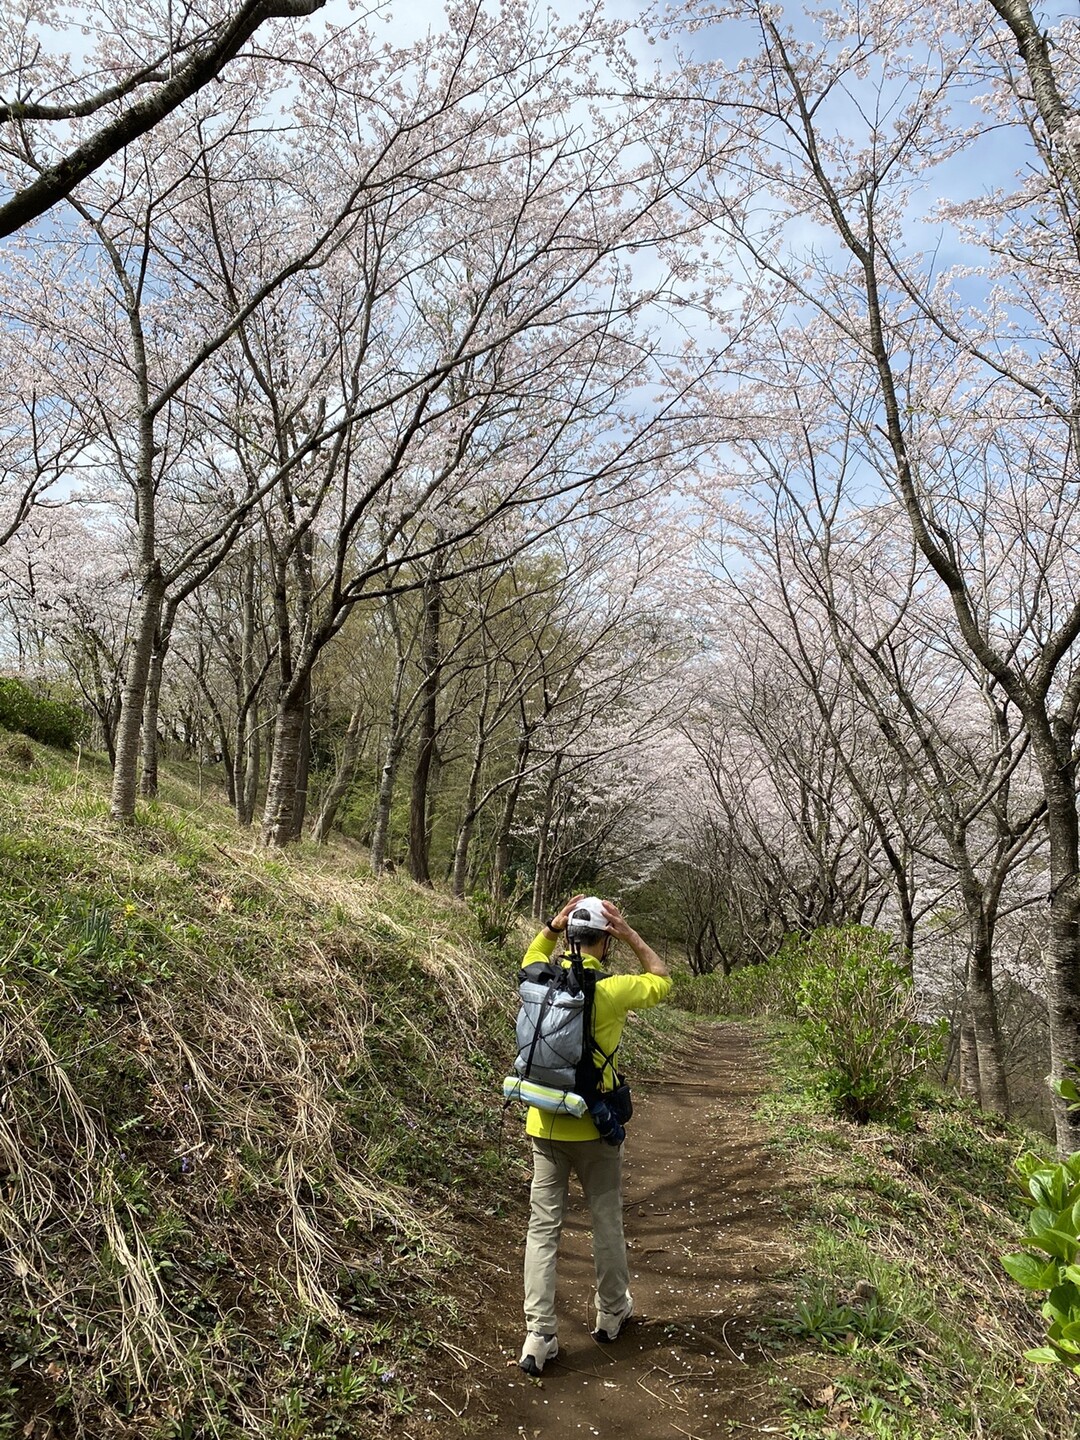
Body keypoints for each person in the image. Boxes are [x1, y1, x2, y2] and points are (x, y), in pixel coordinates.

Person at [518, 894, 671, 1376]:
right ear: (603, 942)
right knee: (605, 1218)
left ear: (568, 936)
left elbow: (531, 956)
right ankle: (610, 1312)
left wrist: (553, 923)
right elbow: (663, 979)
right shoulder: (612, 990)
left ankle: (538, 1335)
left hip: (543, 1121)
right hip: (593, 1124)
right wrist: (629, 932)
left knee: (543, 1228)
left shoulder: (537, 979)